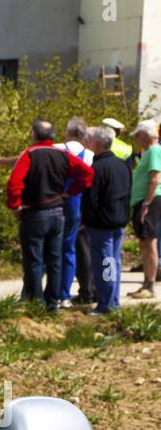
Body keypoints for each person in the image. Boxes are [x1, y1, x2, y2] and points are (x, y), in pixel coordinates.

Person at [7, 118, 94, 312]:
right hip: (58, 212)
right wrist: (70, 192)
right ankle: (52, 302)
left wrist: (15, 205)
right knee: (56, 258)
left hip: (36, 212)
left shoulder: (30, 154)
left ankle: (35, 301)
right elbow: (87, 174)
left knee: (34, 260)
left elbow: (14, 182)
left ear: (34, 135)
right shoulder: (63, 155)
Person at [81, 126, 130, 314]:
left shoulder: (98, 168)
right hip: (119, 220)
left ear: (98, 143)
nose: (87, 141)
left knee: (105, 263)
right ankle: (113, 301)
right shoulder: (122, 165)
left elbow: (92, 199)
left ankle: (105, 304)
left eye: (89, 139)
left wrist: (86, 219)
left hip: (102, 223)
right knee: (113, 262)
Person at [56, 118, 93, 305]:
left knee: (50, 249)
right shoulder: (90, 155)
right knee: (70, 250)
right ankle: (64, 294)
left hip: (54, 203)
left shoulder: (56, 148)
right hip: (77, 207)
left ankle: (42, 293)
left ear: (68, 132)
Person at [127, 122, 161, 299]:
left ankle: (150, 285)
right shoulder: (149, 152)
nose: (136, 139)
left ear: (144, 135)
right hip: (144, 201)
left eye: (137, 135)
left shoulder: (154, 151)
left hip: (150, 201)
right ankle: (146, 282)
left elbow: (155, 178)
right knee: (145, 242)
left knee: (150, 241)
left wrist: (146, 204)